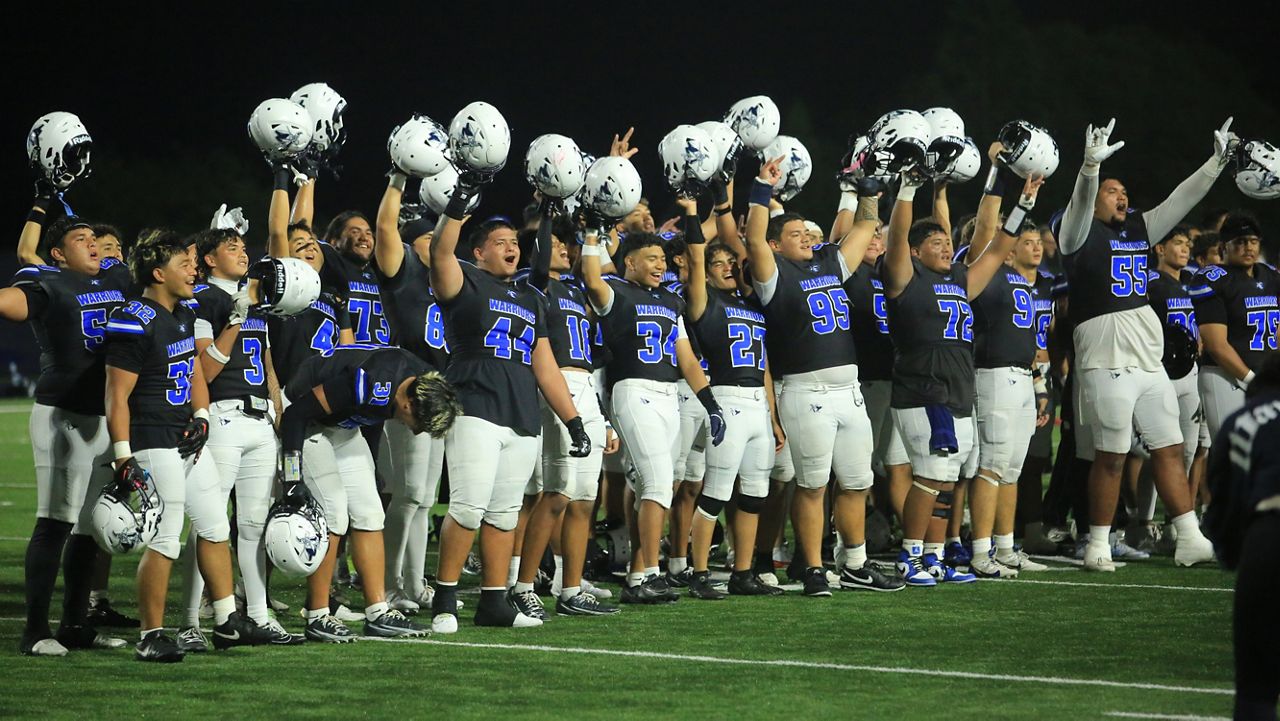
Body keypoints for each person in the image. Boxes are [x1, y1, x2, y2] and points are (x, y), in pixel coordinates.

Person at [1055, 117, 1227, 570]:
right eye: (1113, 191)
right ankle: (1096, 543)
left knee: (1169, 446)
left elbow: (1180, 200)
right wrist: (1090, 169)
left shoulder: (1137, 228)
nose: (1122, 197)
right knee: (1110, 456)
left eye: (1124, 191)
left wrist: (1214, 165)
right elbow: (1077, 210)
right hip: (1104, 353)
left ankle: (1188, 535)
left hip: (1147, 357)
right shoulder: (1077, 232)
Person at [428, 172, 593, 632]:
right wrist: (459, 204)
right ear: (478, 252)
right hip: (474, 403)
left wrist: (573, 420)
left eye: (512, 242)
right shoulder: (465, 282)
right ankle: (443, 598)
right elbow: (441, 251)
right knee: (467, 506)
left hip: (521, 411)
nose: (510, 247)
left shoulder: (530, 298)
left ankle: (494, 601)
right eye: (499, 242)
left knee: (503, 513)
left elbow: (545, 365)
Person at [884, 142, 1043, 587]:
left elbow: (995, 250)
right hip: (922, 389)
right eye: (935, 241)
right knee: (930, 475)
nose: (945, 245)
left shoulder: (958, 279)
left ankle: (934, 554)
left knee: (951, 477)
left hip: (957, 388)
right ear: (917, 252)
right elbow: (897, 239)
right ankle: (909, 554)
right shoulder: (904, 277)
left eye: (947, 240)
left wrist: (1022, 205)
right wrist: (906, 193)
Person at [104, 230, 267, 662]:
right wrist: (123, 454)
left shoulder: (181, 311)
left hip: (185, 434)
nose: (193, 270)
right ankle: (151, 633)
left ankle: (228, 621)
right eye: (184, 264)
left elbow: (193, 368)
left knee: (215, 526)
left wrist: (201, 415)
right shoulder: (134, 316)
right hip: (153, 436)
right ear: (158, 273)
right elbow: (116, 395)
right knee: (166, 538)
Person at [744, 156, 900, 595]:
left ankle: (854, 561)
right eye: (793, 235)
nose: (805, 239)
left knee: (857, 481)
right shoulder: (774, 276)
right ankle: (812, 566)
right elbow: (754, 237)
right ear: (777, 246)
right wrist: (760, 187)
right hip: (805, 389)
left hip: (848, 390)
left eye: (805, 233)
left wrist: (868, 194)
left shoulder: (829, 264)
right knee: (811, 485)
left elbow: (867, 230)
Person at [581, 216, 727, 603]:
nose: (661, 265)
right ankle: (647, 574)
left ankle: (637, 574)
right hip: (633, 391)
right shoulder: (616, 290)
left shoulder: (670, 300)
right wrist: (592, 236)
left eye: (663, 259)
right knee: (659, 484)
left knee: (657, 484)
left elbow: (686, 357)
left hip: (668, 396)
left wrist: (709, 403)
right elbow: (593, 278)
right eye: (651, 258)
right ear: (629, 262)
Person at [2, 214, 130, 656]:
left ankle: (76, 624)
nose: (94, 245)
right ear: (58, 253)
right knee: (55, 521)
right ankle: (34, 631)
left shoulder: (115, 278)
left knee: (87, 529)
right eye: (82, 240)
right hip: (65, 416)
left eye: (95, 238)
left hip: (105, 417)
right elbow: (14, 302)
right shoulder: (49, 283)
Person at [281, 344, 458, 641]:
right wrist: (291, 478)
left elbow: (371, 416)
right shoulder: (374, 380)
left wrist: (372, 466)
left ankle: (378, 611)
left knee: (370, 512)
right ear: (408, 405)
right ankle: (318, 614)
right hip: (306, 422)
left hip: (344, 426)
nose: (419, 431)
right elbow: (295, 415)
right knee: (334, 513)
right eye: (422, 423)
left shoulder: (419, 381)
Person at [179, 226, 298, 644]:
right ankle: (191, 622)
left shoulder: (256, 303)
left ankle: (260, 616)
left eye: (244, 247)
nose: (243, 254)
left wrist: (278, 410)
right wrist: (235, 316)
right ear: (209, 259)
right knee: (209, 523)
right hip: (222, 417)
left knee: (254, 526)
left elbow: (266, 364)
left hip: (260, 421)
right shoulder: (203, 299)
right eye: (232, 248)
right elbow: (202, 371)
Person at [508, 205, 619, 617]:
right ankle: (521, 585)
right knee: (556, 493)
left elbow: (591, 358)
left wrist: (602, 417)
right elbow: (537, 263)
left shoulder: (574, 289)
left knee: (585, 500)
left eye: (561, 244)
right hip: (553, 387)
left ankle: (570, 588)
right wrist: (547, 213)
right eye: (551, 244)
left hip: (586, 388)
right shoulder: (529, 285)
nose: (559, 249)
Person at [684, 207, 787, 597]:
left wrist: (773, 417)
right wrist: (694, 214)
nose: (727, 267)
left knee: (756, 493)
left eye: (732, 261)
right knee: (716, 491)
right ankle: (698, 574)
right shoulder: (702, 301)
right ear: (707, 270)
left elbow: (763, 366)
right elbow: (695, 255)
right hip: (724, 398)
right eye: (719, 262)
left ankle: (742, 572)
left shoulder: (751, 304)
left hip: (757, 405)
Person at [372, 171, 450, 614]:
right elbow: (385, 228)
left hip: (438, 393)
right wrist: (398, 179)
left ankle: (414, 581)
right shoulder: (404, 274)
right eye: (428, 239)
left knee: (424, 499)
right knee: (407, 494)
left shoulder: (447, 280)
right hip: (408, 392)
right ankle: (387, 584)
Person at [963, 195, 1051, 577]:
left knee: (1012, 468)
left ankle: (1005, 546)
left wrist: (1039, 385)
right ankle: (982, 553)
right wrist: (1011, 193)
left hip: (1019, 376)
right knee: (993, 465)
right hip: (993, 373)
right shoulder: (986, 266)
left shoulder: (1016, 275)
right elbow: (987, 231)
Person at [1203, 354, 1280, 721]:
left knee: (1257, 691)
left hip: (1270, 536)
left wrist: (1235, 554)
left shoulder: (1243, 420)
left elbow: (1223, 512)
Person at [1193, 212, 1279, 439]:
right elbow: (1216, 345)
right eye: (1240, 242)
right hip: (1225, 377)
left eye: (1253, 241)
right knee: (1230, 454)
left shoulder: (1269, 276)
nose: (1248, 247)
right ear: (1224, 247)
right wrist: (1251, 379)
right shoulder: (1212, 278)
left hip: (1263, 375)